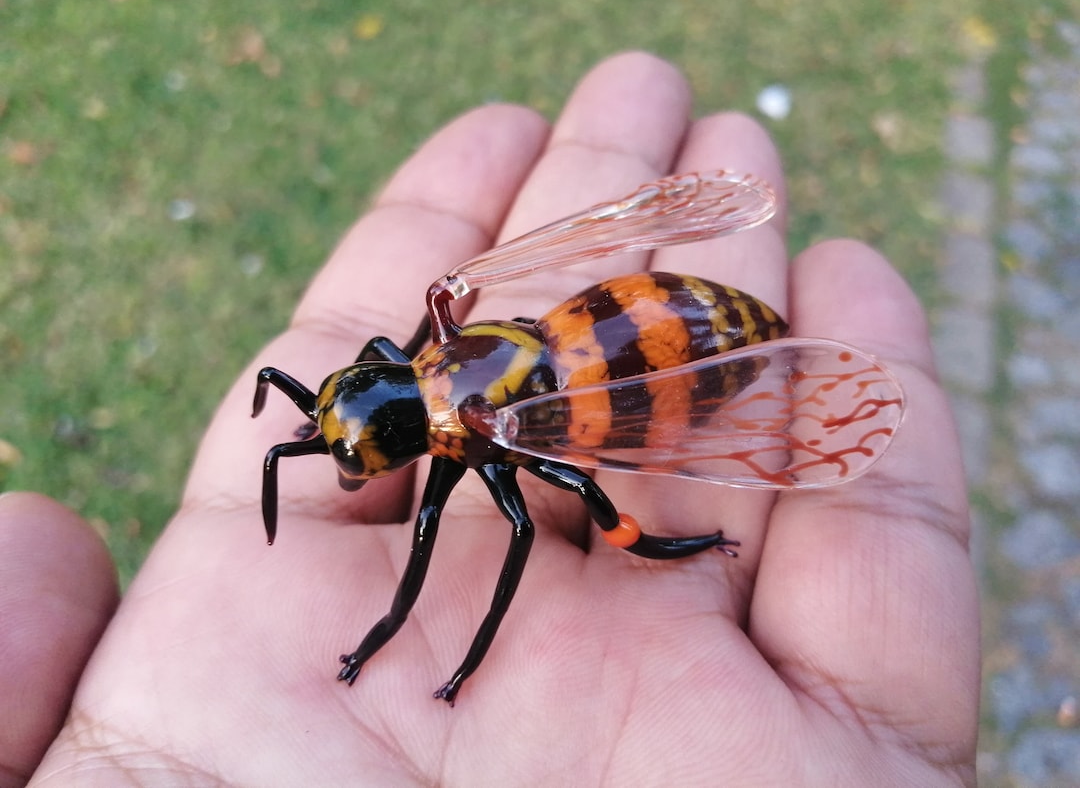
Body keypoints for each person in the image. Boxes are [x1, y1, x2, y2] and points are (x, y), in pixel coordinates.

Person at [0, 52, 979, 786]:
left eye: (353, 446)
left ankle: (643, 543)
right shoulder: (433, 339)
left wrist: (425, 645)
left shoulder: (480, 429)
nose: (345, 458)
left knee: (542, 505)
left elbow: (538, 517)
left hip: (633, 363)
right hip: (583, 328)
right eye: (340, 440)